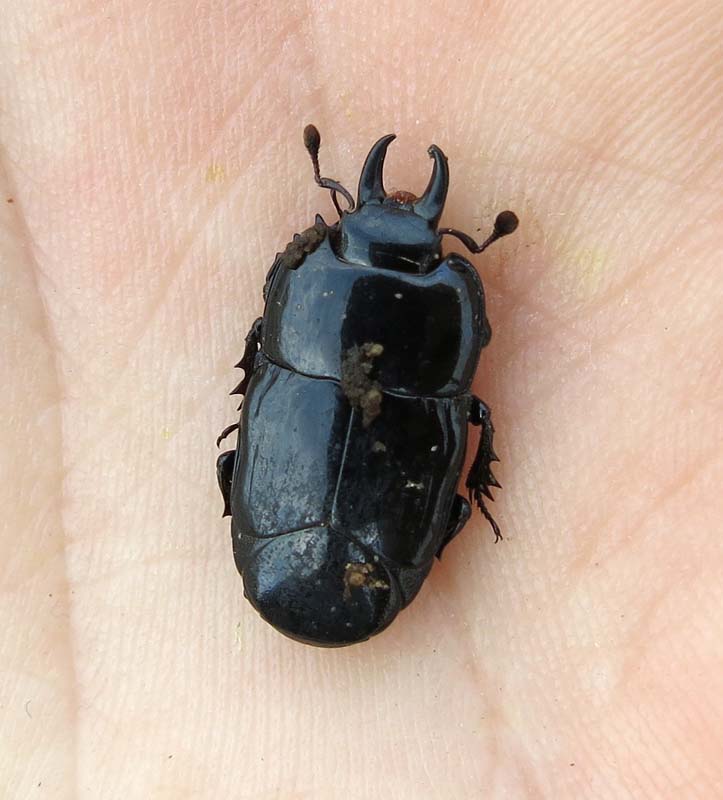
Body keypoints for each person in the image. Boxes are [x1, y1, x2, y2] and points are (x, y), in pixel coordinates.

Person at [2, 2, 721, 796]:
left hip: (325, 535)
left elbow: (262, 346)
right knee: (462, 423)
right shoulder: (441, 352)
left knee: (263, 448)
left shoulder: (293, 326)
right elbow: (445, 403)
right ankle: (452, 512)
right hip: (358, 555)